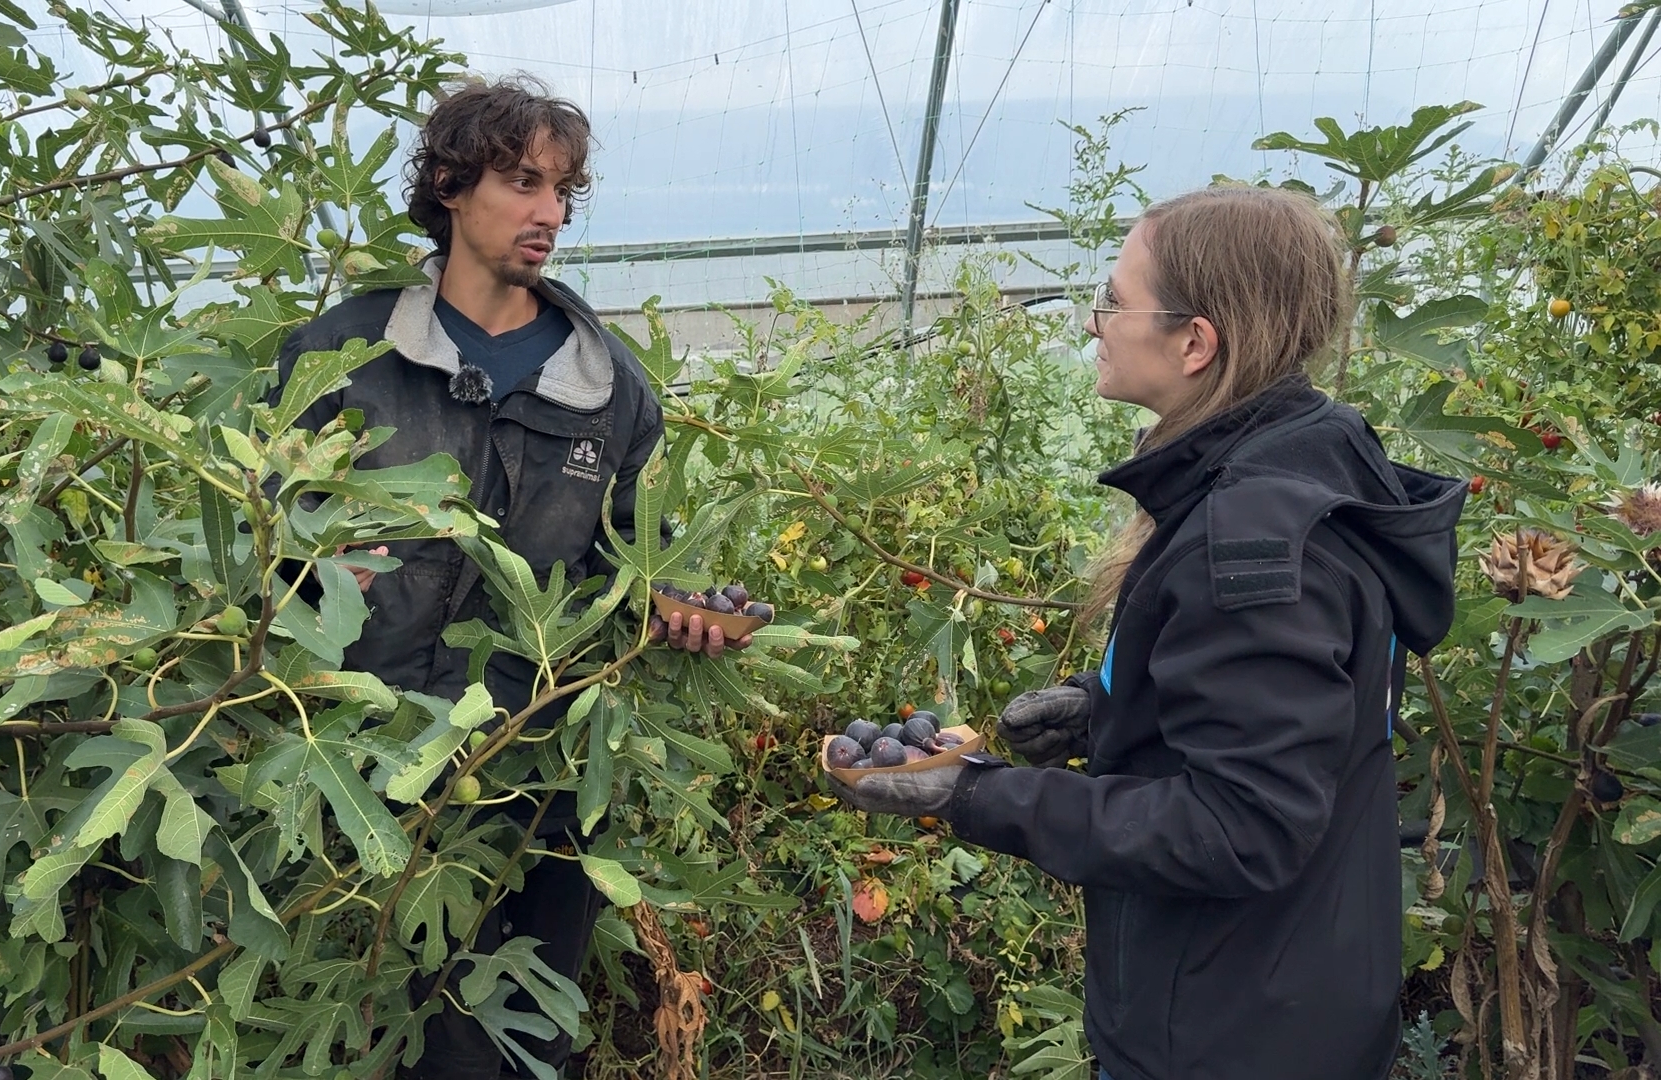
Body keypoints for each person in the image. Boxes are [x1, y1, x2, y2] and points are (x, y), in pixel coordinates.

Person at [828, 185, 1466, 1080]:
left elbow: (1242, 826)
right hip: (1300, 985)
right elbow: (1308, 704)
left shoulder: (1248, 548)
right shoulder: (1314, 460)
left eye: (1116, 301)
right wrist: (1110, 707)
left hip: (1225, 1032)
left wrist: (973, 795)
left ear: (1195, 341)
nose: (1097, 322)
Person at [270, 75, 741, 1080]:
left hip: (533, 779)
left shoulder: (608, 388)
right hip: (362, 767)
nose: (551, 213)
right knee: (364, 1032)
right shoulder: (341, 356)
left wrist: (673, 607)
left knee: (515, 1042)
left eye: (564, 190)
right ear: (447, 182)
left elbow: (628, 555)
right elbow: (278, 551)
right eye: (524, 182)